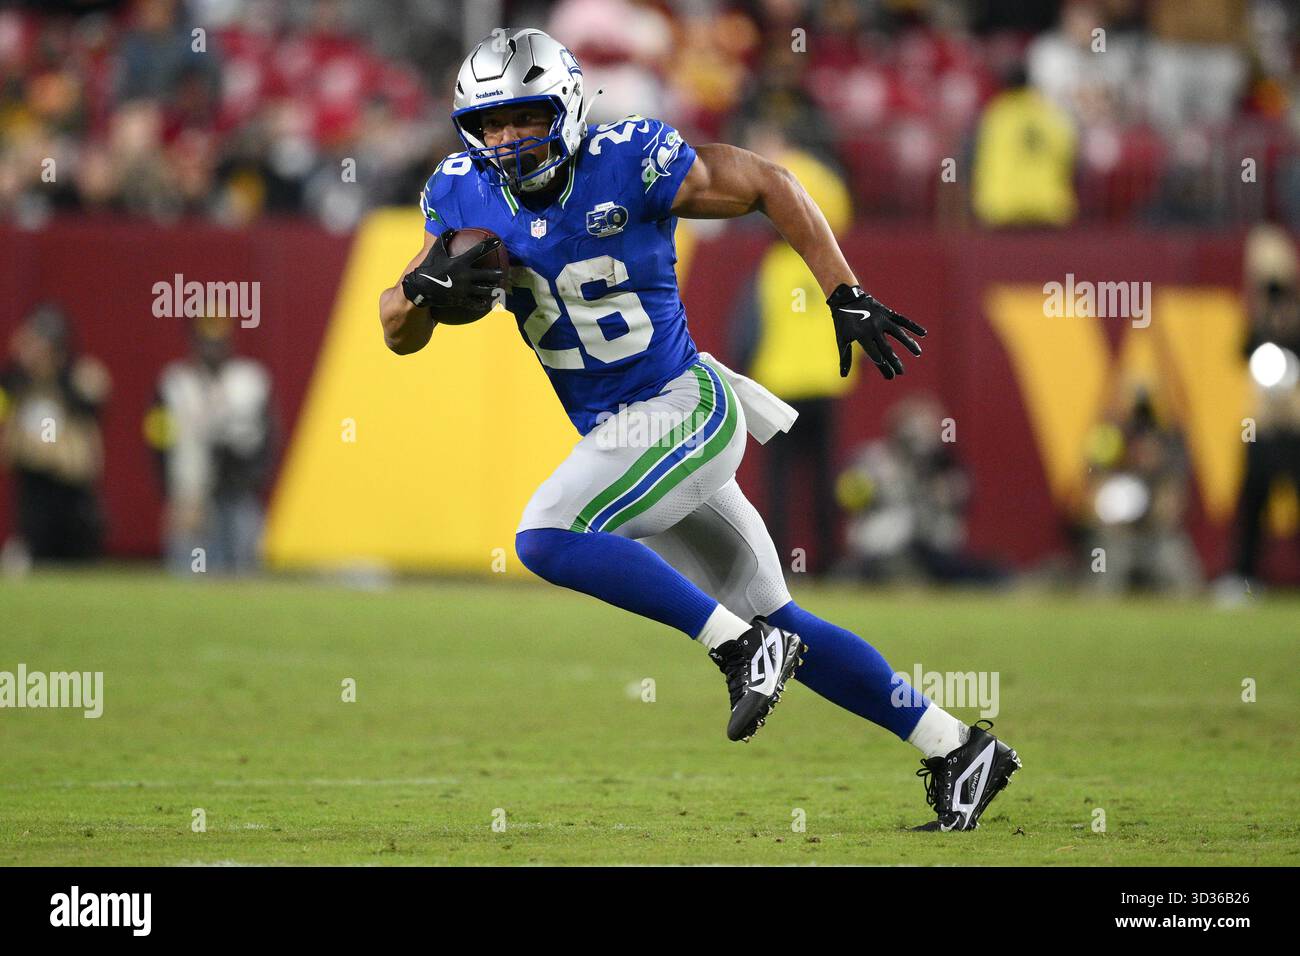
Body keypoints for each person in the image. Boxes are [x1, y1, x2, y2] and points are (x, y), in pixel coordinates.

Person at [377, 28, 1020, 831]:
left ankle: (735, 648)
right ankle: (958, 748)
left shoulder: (628, 160)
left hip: (684, 407)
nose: (508, 139)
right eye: (492, 124)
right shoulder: (460, 192)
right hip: (625, 437)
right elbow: (395, 330)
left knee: (544, 535)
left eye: (526, 116)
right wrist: (419, 289)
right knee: (783, 620)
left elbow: (770, 183)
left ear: (569, 105)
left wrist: (844, 291)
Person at [145, 313, 275, 575]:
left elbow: (269, 439)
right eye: (206, 342)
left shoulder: (248, 381)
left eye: (217, 342)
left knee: (244, 576)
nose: (212, 350)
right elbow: (158, 442)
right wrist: (173, 495)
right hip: (191, 497)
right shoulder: (175, 384)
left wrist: (252, 484)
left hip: (239, 495)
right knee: (192, 573)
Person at [0, 304, 110, 566]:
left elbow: (94, 395)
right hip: (35, 486)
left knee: (78, 561)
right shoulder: (15, 383)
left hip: (72, 489)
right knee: (36, 555)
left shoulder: (77, 377)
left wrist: (56, 371)